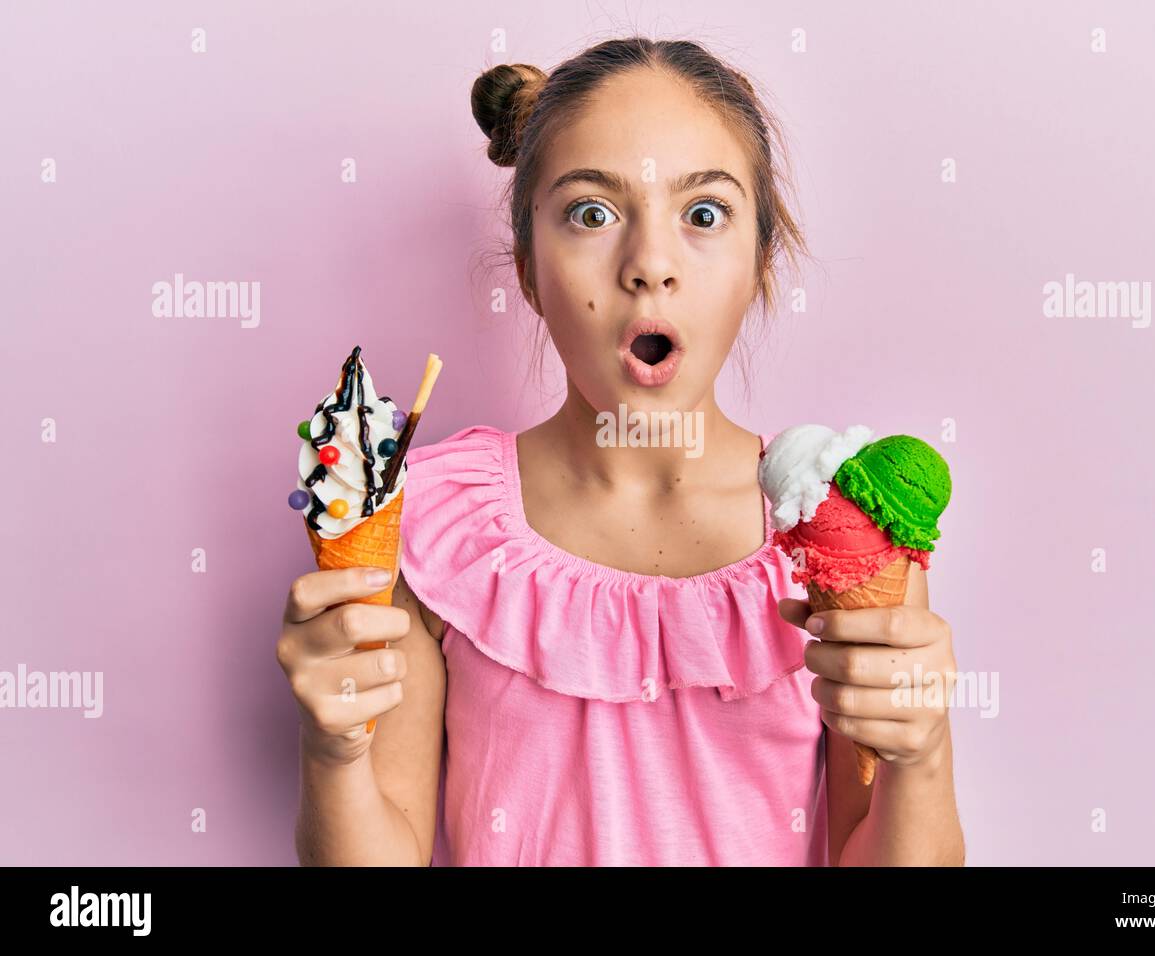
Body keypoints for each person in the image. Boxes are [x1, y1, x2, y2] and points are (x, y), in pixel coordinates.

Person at [277, 36, 964, 866]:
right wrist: (332, 748)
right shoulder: (428, 519)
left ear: (760, 264)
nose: (649, 266)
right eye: (591, 213)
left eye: (703, 213)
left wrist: (919, 754)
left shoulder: (837, 527)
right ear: (529, 270)